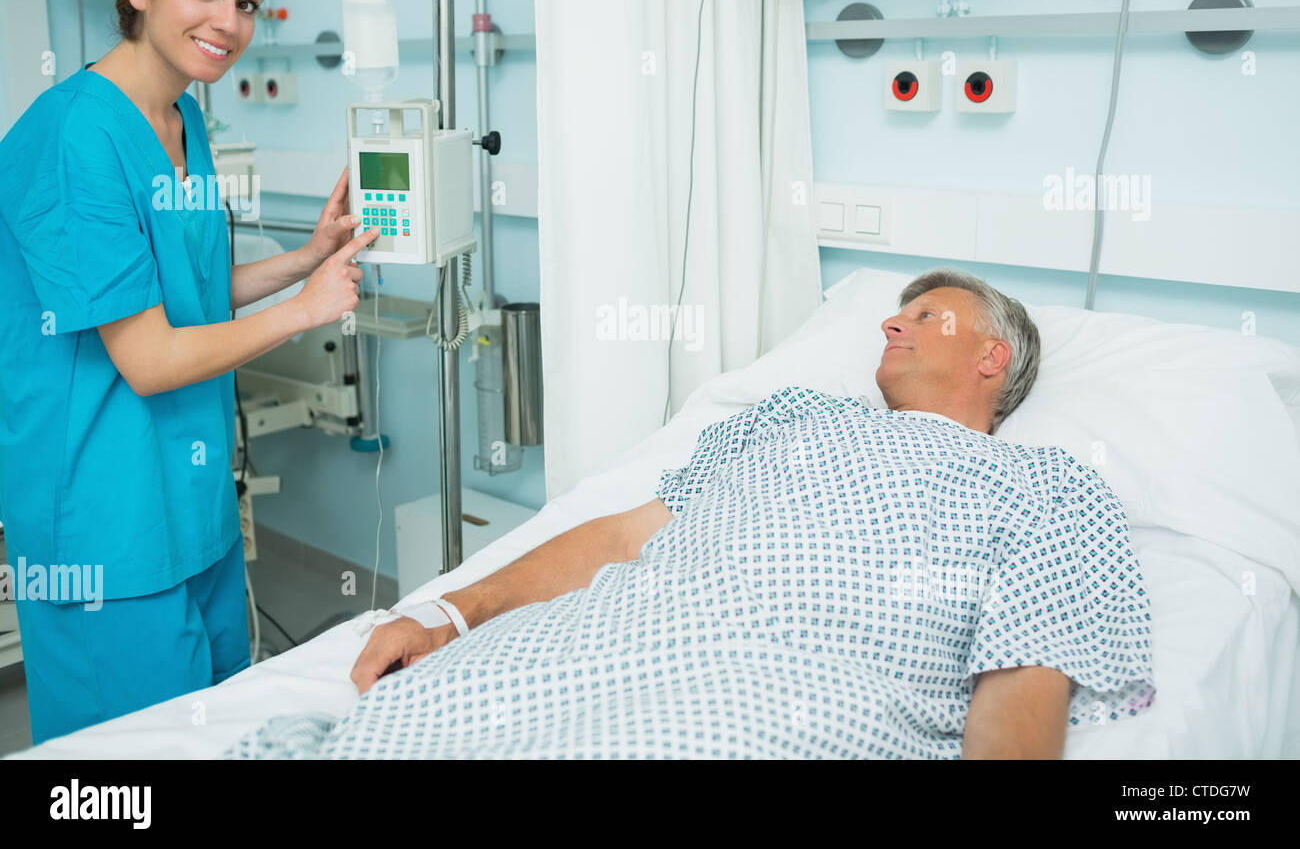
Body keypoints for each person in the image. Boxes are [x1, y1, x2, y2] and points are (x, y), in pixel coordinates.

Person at [312, 268, 1153, 760]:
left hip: (791, 701)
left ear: (990, 358)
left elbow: (1021, 688)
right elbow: (619, 536)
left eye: (927, 315)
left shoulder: (1049, 488)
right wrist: (450, 614)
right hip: (595, 647)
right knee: (391, 731)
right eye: (896, 311)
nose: (892, 322)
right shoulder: (789, 417)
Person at [0, 0, 378, 744]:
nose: (229, 23)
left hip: (191, 507)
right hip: (103, 523)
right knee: (133, 763)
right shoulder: (75, 137)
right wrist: (304, 310)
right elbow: (149, 357)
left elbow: (190, 294)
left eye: (245, 3)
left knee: (215, 736)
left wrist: (304, 258)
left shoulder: (183, 119)